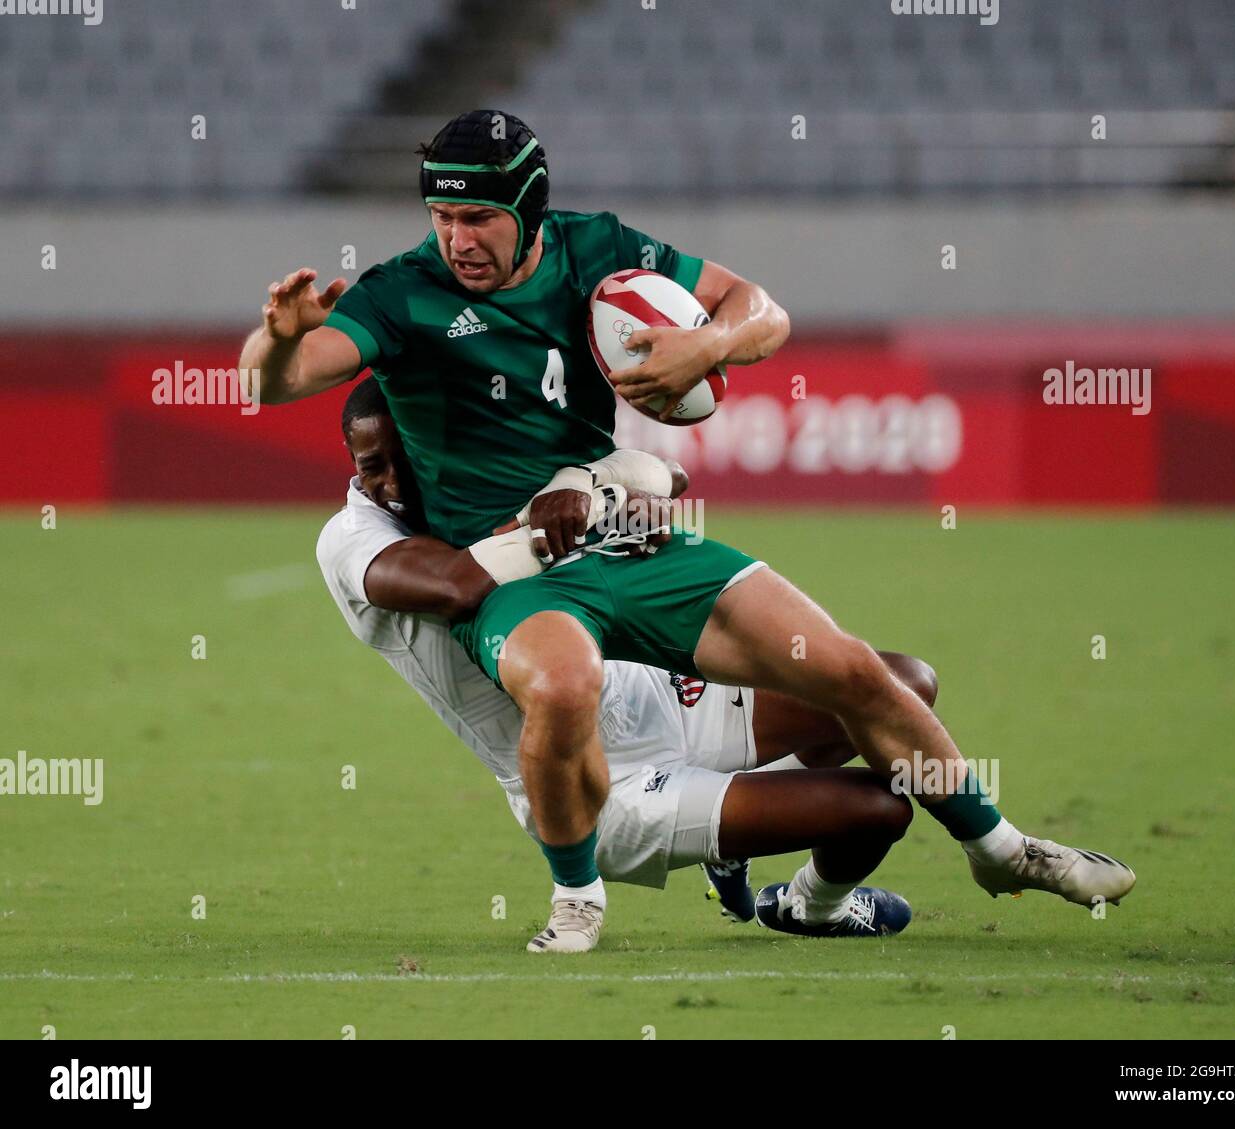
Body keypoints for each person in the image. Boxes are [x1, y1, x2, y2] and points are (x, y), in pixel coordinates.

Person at [245, 110, 1135, 952]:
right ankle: (576, 896)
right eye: (441, 216)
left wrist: (704, 346)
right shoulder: (402, 295)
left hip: (627, 548)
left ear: (527, 207)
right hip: (522, 578)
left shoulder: (597, 248)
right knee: (560, 684)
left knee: (856, 670)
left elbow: (760, 310)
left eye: (476, 217)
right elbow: (275, 381)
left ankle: (1004, 849)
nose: (455, 239)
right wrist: (279, 344)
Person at [317, 379, 923, 951]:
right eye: (372, 465)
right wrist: (563, 520)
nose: (392, 482)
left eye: (406, 458)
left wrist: (619, 505)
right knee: (880, 809)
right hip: (600, 784)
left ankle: (771, 874)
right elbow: (453, 584)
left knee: (902, 687)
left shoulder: (487, 479)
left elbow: (670, 477)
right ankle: (813, 907)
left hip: (657, 695)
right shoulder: (351, 538)